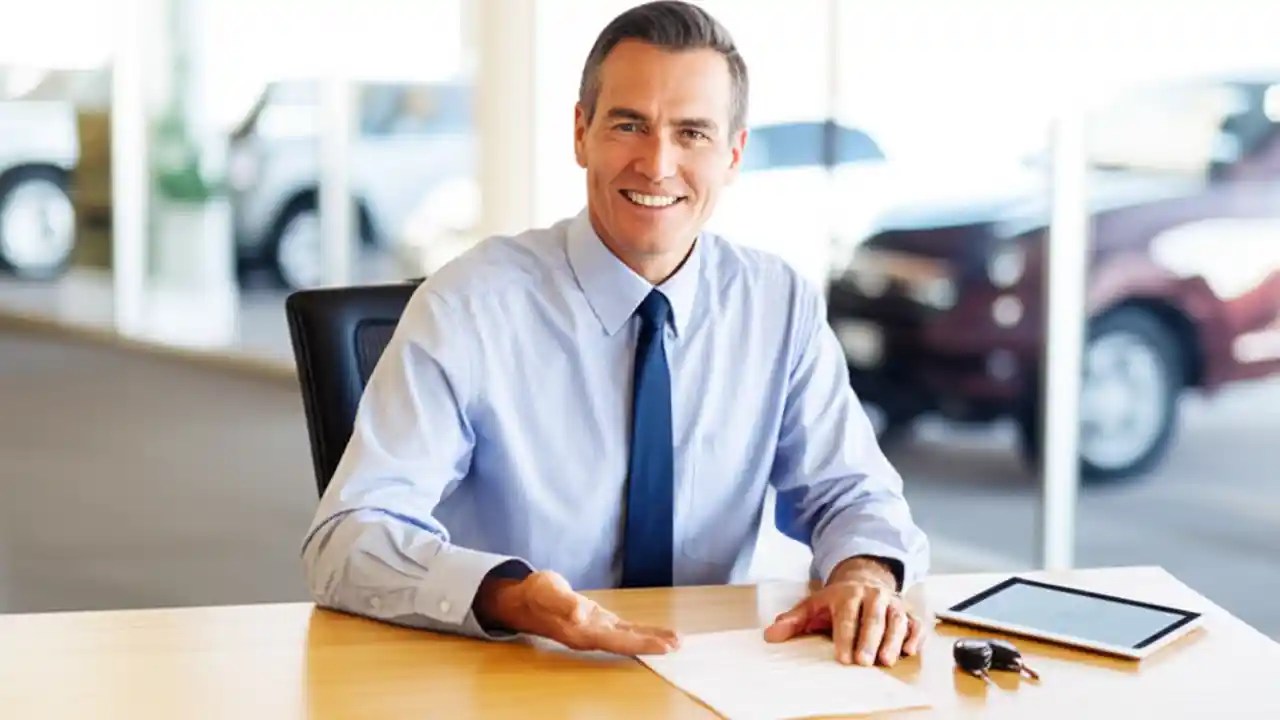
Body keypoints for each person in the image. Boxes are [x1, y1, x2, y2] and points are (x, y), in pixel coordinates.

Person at [302, 0, 930, 668]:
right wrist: (512, 598)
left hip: (715, 676)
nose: (657, 164)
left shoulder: (778, 305)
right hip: (518, 670)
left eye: (692, 133)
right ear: (581, 132)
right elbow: (348, 539)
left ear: (733, 154)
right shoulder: (469, 304)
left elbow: (854, 494)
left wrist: (863, 576)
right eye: (630, 125)